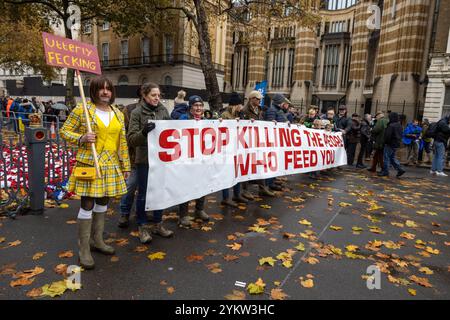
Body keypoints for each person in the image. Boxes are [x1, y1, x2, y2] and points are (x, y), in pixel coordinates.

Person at [60, 76, 131, 269]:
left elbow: (122, 141)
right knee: (87, 204)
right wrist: (82, 137)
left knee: (103, 202)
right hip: (90, 164)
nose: (105, 92)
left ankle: (97, 240)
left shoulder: (117, 113)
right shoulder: (83, 109)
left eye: (108, 88)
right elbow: (64, 131)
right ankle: (84, 249)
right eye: (101, 89)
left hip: (111, 164)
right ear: (94, 91)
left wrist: (125, 165)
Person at [127, 82, 174, 243]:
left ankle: (158, 223)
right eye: (154, 95)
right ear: (144, 95)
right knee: (143, 194)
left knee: (160, 191)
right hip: (144, 159)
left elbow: (171, 131)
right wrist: (144, 132)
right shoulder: (136, 113)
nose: (157, 98)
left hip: (161, 159)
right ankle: (142, 227)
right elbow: (132, 139)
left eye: (159, 95)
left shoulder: (163, 110)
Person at [178, 95, 210, 227]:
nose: (199, 108)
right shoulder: (183, 119)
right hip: (186, 158)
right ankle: (184, 215)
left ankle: (199, 210)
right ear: (190, 107)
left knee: (202, 184)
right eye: (196, 105)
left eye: (201, 105)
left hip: (201, 159)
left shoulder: (206, 120)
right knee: (185, 186)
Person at [242, 90, 275, 197]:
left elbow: (262, 123)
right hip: (247, 142)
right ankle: (245, 190)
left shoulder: (260, 110)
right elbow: (240, 126)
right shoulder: (244, 110)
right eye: (258, 99)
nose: (260, 101)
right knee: (246, 166)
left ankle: (262, 188)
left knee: (260, 164)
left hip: (257, 142)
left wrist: (272, 123)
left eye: (260, 99)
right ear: (252, 99)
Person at [118, 88, 142, 228]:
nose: (156, 97)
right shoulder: (130, 109)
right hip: (134, 156)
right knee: (131, 186)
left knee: (147, 188)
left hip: (152, 157)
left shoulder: (159, 110)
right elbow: (125, 133)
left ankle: (143, 213)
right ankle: (124, 213)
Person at [220, 92, 248, 207]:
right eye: (240, 105)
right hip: (227, 149)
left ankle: (237, 194)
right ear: (235, 105)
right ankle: (225, 197)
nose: (241, 107)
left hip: (237, 148)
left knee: (238, 172)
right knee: (227, 173)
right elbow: (222, 130)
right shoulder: (225, 115)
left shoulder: (239, 114)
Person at [378, 112, 406, 178]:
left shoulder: (391, 125)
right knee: (392, 157)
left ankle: (386, 171)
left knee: (386, 157)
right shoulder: (399, 125)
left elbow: (388, 136)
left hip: (390, 143)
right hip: (396, 144)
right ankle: (400, 169)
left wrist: (385, 142)